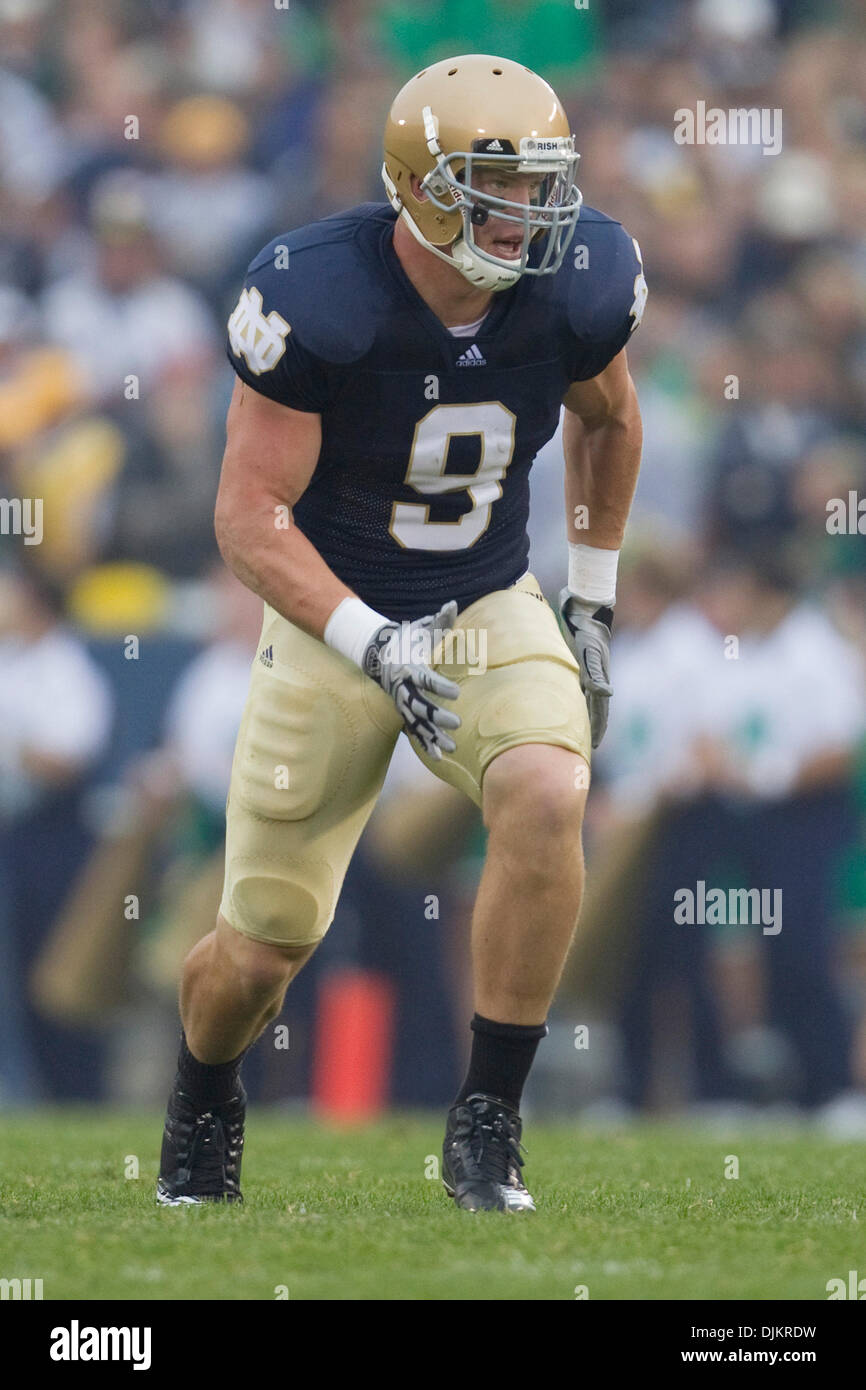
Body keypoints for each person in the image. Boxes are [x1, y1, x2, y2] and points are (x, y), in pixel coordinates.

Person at [157, 53, 646, 1213]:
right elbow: (245, 517)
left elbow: (609, 417)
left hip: (482, 599)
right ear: (425, 188)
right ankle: (202, 1092)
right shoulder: (316, 295)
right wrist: (370, 639)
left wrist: (589, 595)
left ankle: (486, 1122)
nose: (534, 211)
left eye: (541, 182)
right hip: (330, 619)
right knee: (258, 951)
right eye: (501, 182)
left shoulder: (574, 283)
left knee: (546, 786)